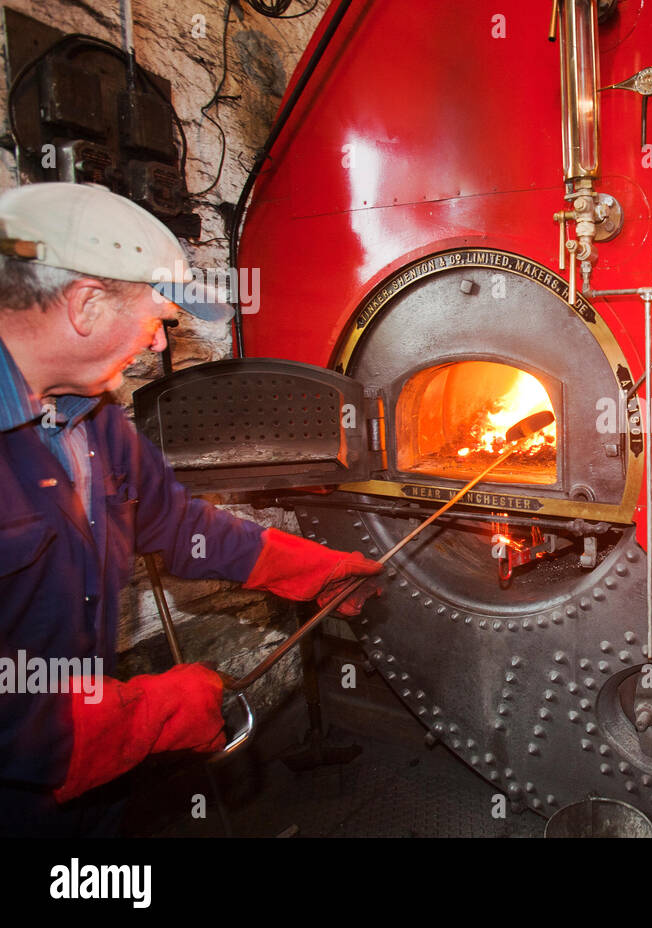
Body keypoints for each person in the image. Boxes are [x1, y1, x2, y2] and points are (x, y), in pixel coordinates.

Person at [0, 182, 383, 836]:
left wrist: (313, 571)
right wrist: (151, 714)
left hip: (89, 791)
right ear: (85, 305)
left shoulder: (90, 421)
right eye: (157, 320)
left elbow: (180, 528)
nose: (157, 345)